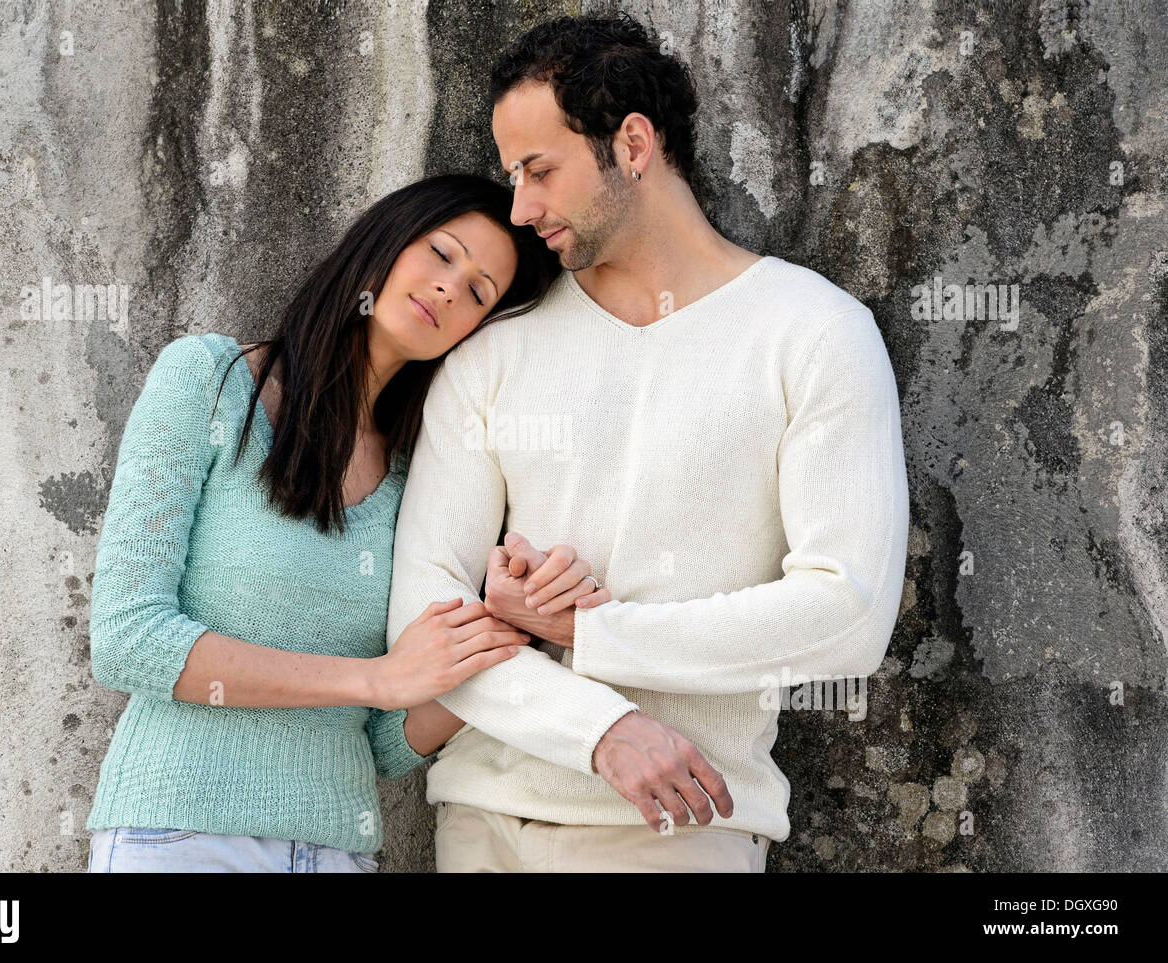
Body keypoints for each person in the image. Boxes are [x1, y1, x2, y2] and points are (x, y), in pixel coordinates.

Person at [385, 13, 910, 872]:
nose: (520, 208)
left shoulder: (813, 332)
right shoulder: (490, 354)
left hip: (681, 830)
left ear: (632, 143)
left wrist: (595, 634)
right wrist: (601, 729)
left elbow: (845, 613)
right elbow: (423, 618)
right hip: (482, 826)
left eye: (539, 169)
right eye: (512, 175)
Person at [84, 173, 603, 872]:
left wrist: (513, 630)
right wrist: (374, 678)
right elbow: (128, 638)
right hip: (180, 835)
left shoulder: (413, 478)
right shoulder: (209, 382)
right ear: (383, 240)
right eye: (442, 254)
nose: (452, 288)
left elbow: (388, 741)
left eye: (480, 292)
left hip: (338, 852)